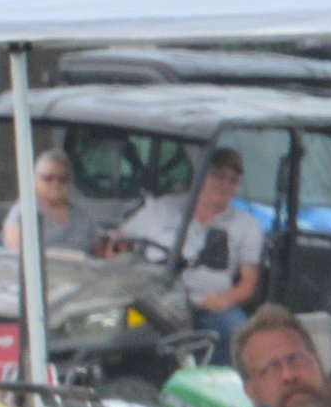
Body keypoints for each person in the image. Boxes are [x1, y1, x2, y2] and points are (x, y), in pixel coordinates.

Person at [107, 146, 263, 361]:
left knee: (237, 331)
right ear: (202, 176)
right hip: (154, 301)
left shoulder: (246, 225)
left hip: (205, 304)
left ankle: (212, 381)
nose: (225, 184)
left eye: (232, 180)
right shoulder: (163, 208)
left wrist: (222, 301)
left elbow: (249, 283)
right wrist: (117, 275)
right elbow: (117, 241)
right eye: (219, 176)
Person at [0, 150, 103, 254]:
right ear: (35, 180)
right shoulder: (23, 212)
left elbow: (98, 255)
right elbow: (14, 254)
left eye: (62, 179)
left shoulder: (83, 217)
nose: (56, 183)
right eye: (48, 178)